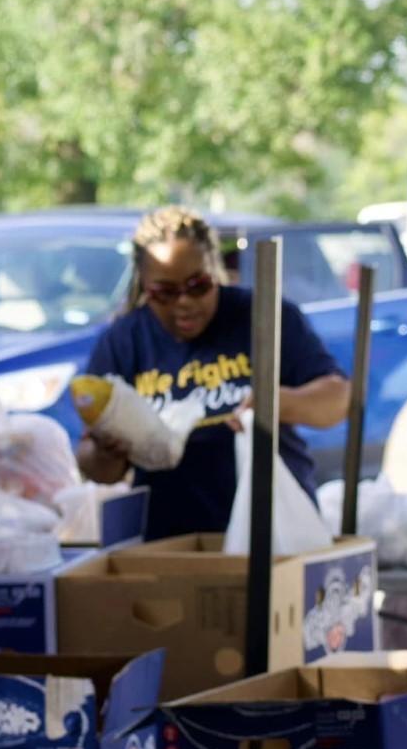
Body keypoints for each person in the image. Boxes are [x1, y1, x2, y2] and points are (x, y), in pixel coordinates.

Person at [75, 207, 351, 541]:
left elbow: (337, 399)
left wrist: (276, 404)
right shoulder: (123, 340)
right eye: (165, 292)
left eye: (198, 285)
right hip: (171, 541)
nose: (184, 303)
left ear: (215, 271)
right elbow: (98, 468)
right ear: (145, 286)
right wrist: (106, 452)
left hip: (271, 530)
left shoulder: (264, 316)